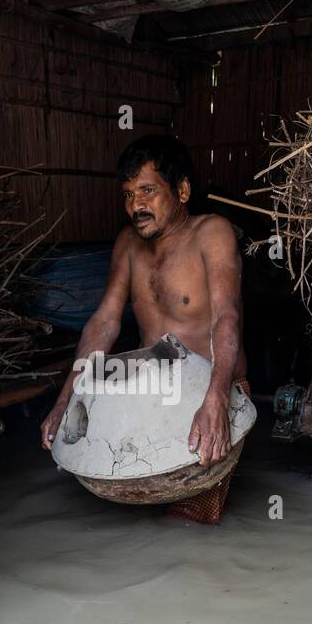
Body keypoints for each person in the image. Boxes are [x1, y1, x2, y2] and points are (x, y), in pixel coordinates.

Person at [40, 135, 248, 525]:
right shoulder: (127, 245)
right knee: (122, 511)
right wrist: (65, 400)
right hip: (150, 397)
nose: (136, 205)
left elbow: (227, 317)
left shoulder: (212, 233)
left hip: (211, 394)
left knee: (187, 520)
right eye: (129, 193)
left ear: (182, 190)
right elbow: (104, 322)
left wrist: (217, 399)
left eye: (148, 191)